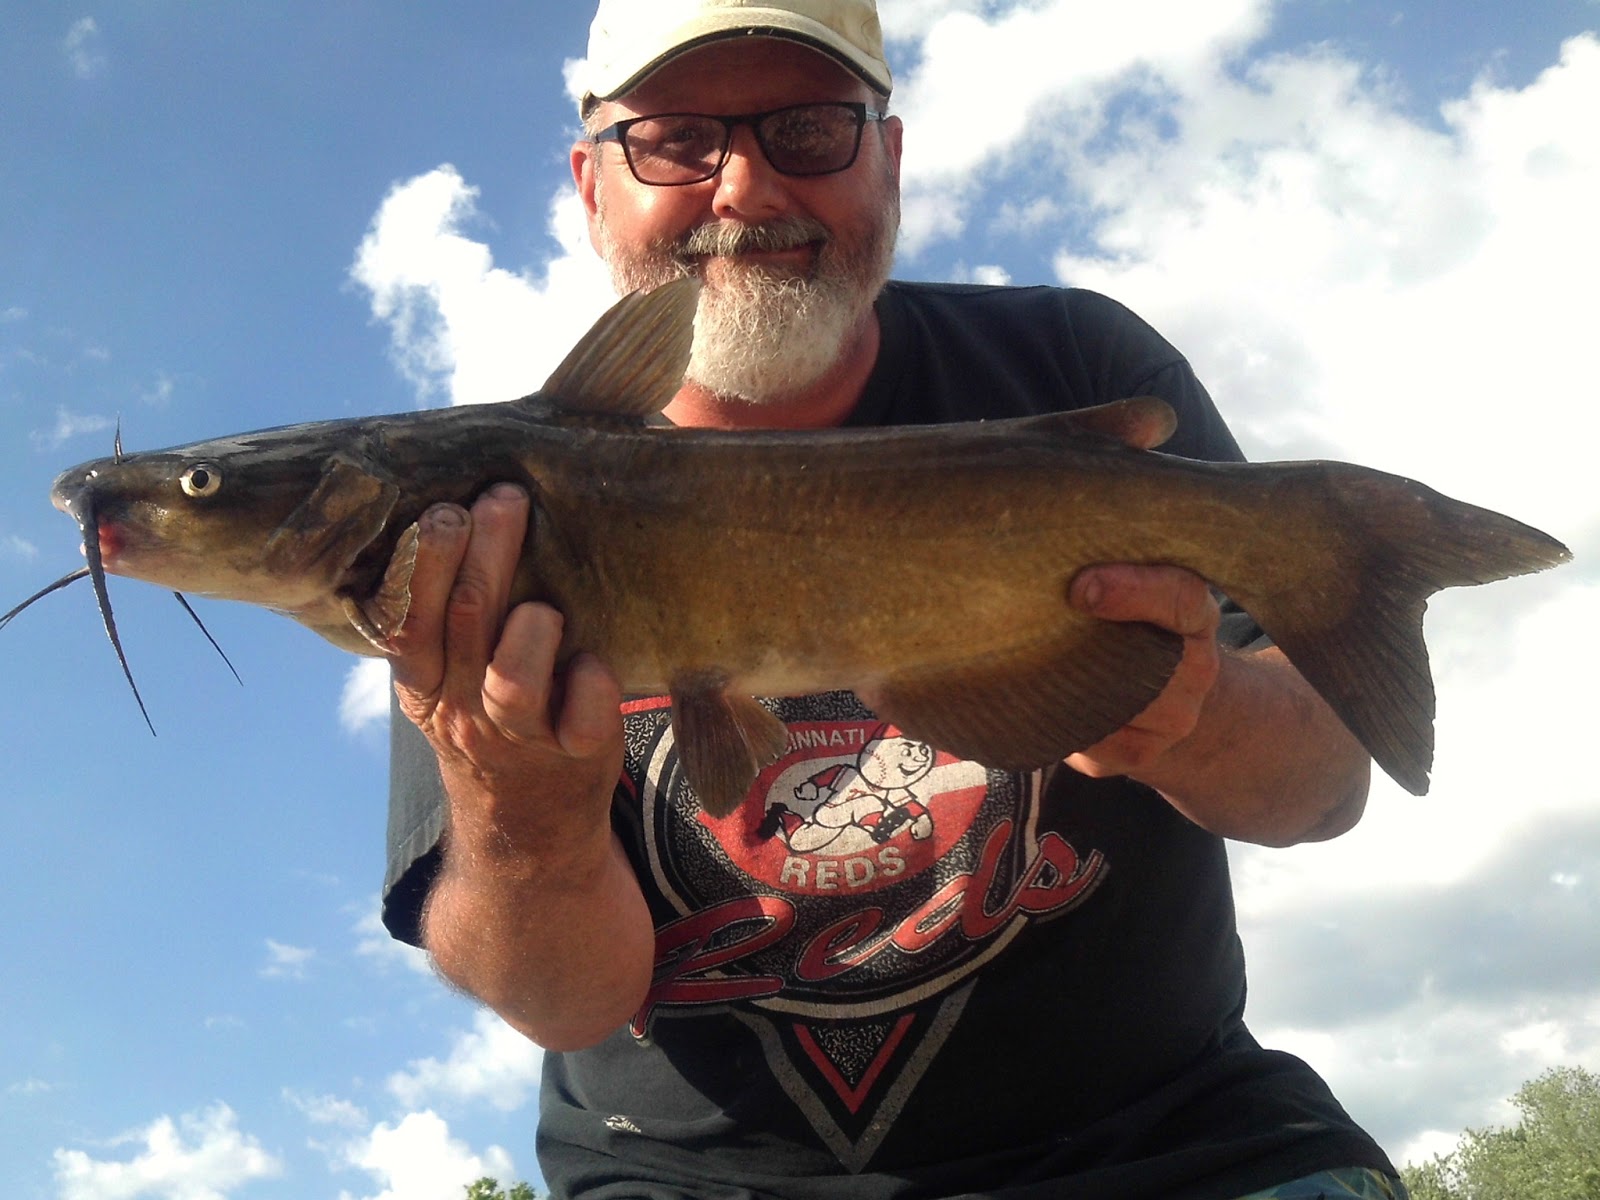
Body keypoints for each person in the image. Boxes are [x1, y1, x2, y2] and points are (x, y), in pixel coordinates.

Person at [380, 2, 1408, 1196]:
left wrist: (1189, 708)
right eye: (673, 140)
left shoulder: (1069, 365)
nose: (745, 189)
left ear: (890, 156)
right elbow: (565, 1005)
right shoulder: (477, 512)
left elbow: (1321, 791)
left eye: (810, 129)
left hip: (1171, 1146)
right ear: (589, 183)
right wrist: (518, 808)